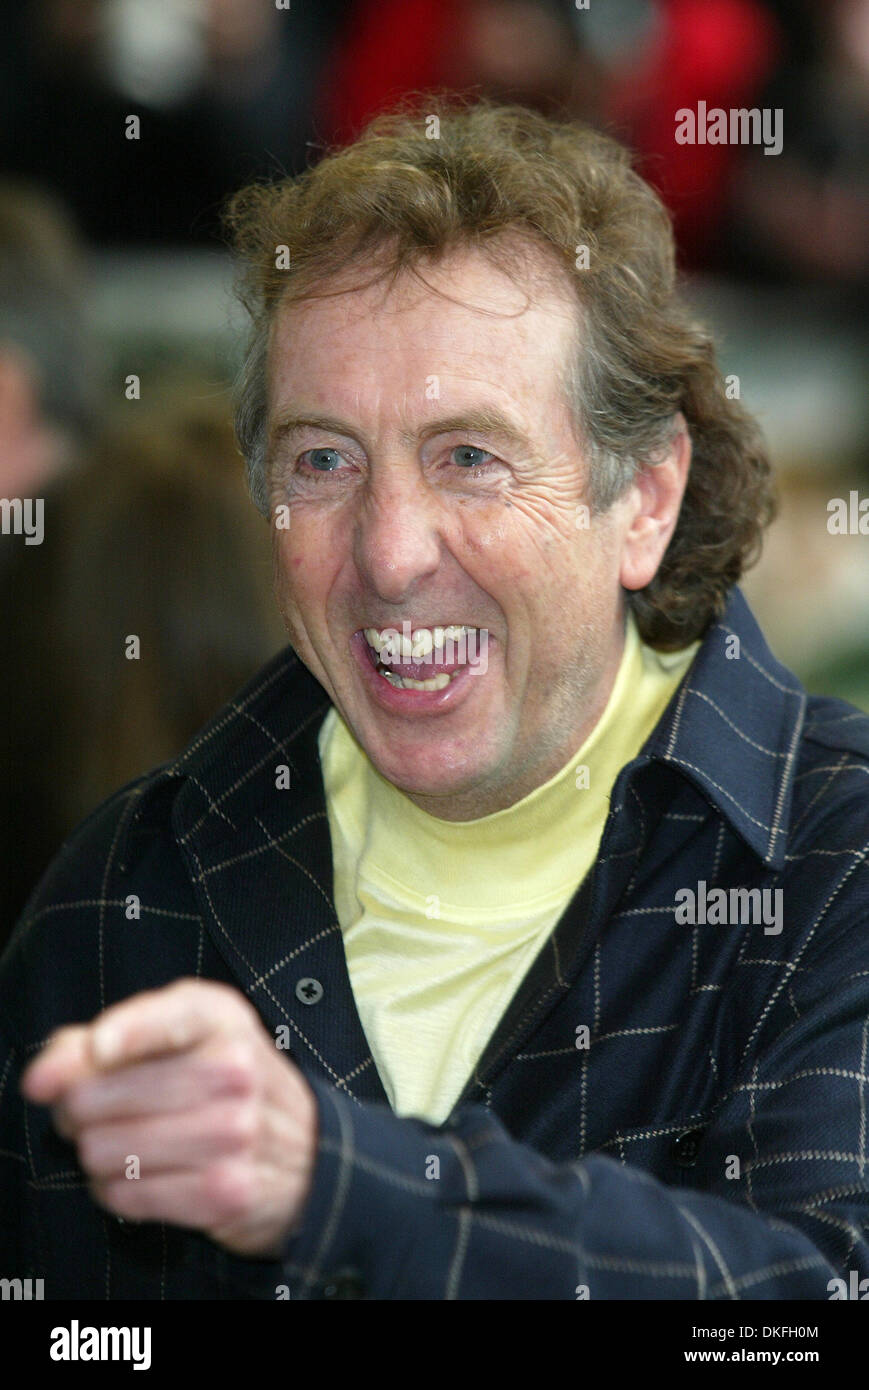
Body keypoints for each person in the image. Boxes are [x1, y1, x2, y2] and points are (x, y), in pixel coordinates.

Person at [1, 100, 867, 1301]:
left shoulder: (829, 862)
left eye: (468, 457)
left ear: (644, 499)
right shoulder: (121, 899)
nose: (390, 553)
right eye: (323, 461)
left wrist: (341, 1191)